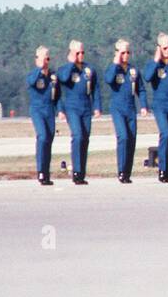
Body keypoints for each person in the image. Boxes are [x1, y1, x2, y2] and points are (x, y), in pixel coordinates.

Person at [56, 39, 102, 185]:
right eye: (77, 53)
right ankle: (76, 171)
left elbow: (95, 89)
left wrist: (97, 107)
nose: (81, 55)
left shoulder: (88, 69)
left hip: (86, 107)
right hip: (72, 107)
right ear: (71, 53)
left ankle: (81, 172)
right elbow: (62, 79)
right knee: (78, 135)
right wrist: (71, 64)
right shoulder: (65, 69)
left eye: (82, 52)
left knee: (85, 139)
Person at [103, 39, 149, 183]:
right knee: (123, 137)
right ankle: (121, 171)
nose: (126, 55)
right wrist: (116, 62)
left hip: (130, 109)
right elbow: (109, 80)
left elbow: (140, 89)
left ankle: (127, 172)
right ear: (117, 53)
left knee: (131, 139)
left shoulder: (133, 70)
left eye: (128, 52)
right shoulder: (113, 69)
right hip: (118, 108)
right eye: (123, 52)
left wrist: (143, 106)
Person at [144, 33, 168, 183]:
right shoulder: (154, 65)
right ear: (159, 48)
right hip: (160, 106)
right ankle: (162, 170)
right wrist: (156, 59)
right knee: (165, 134)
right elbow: (147, 77)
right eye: (164, 48)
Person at [26, 45, 59, 186]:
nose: (46, 61)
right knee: (43, 136)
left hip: (49, 110)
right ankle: (40, 171)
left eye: (48, 58)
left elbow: (57, 95)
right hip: (37, 110)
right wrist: (40, 69)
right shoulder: (34, 74)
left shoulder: (52, 76)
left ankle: (46, 172)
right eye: (43, 58)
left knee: (49, 140)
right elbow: (32, 82)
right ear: (37, 59)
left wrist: (61, 110)